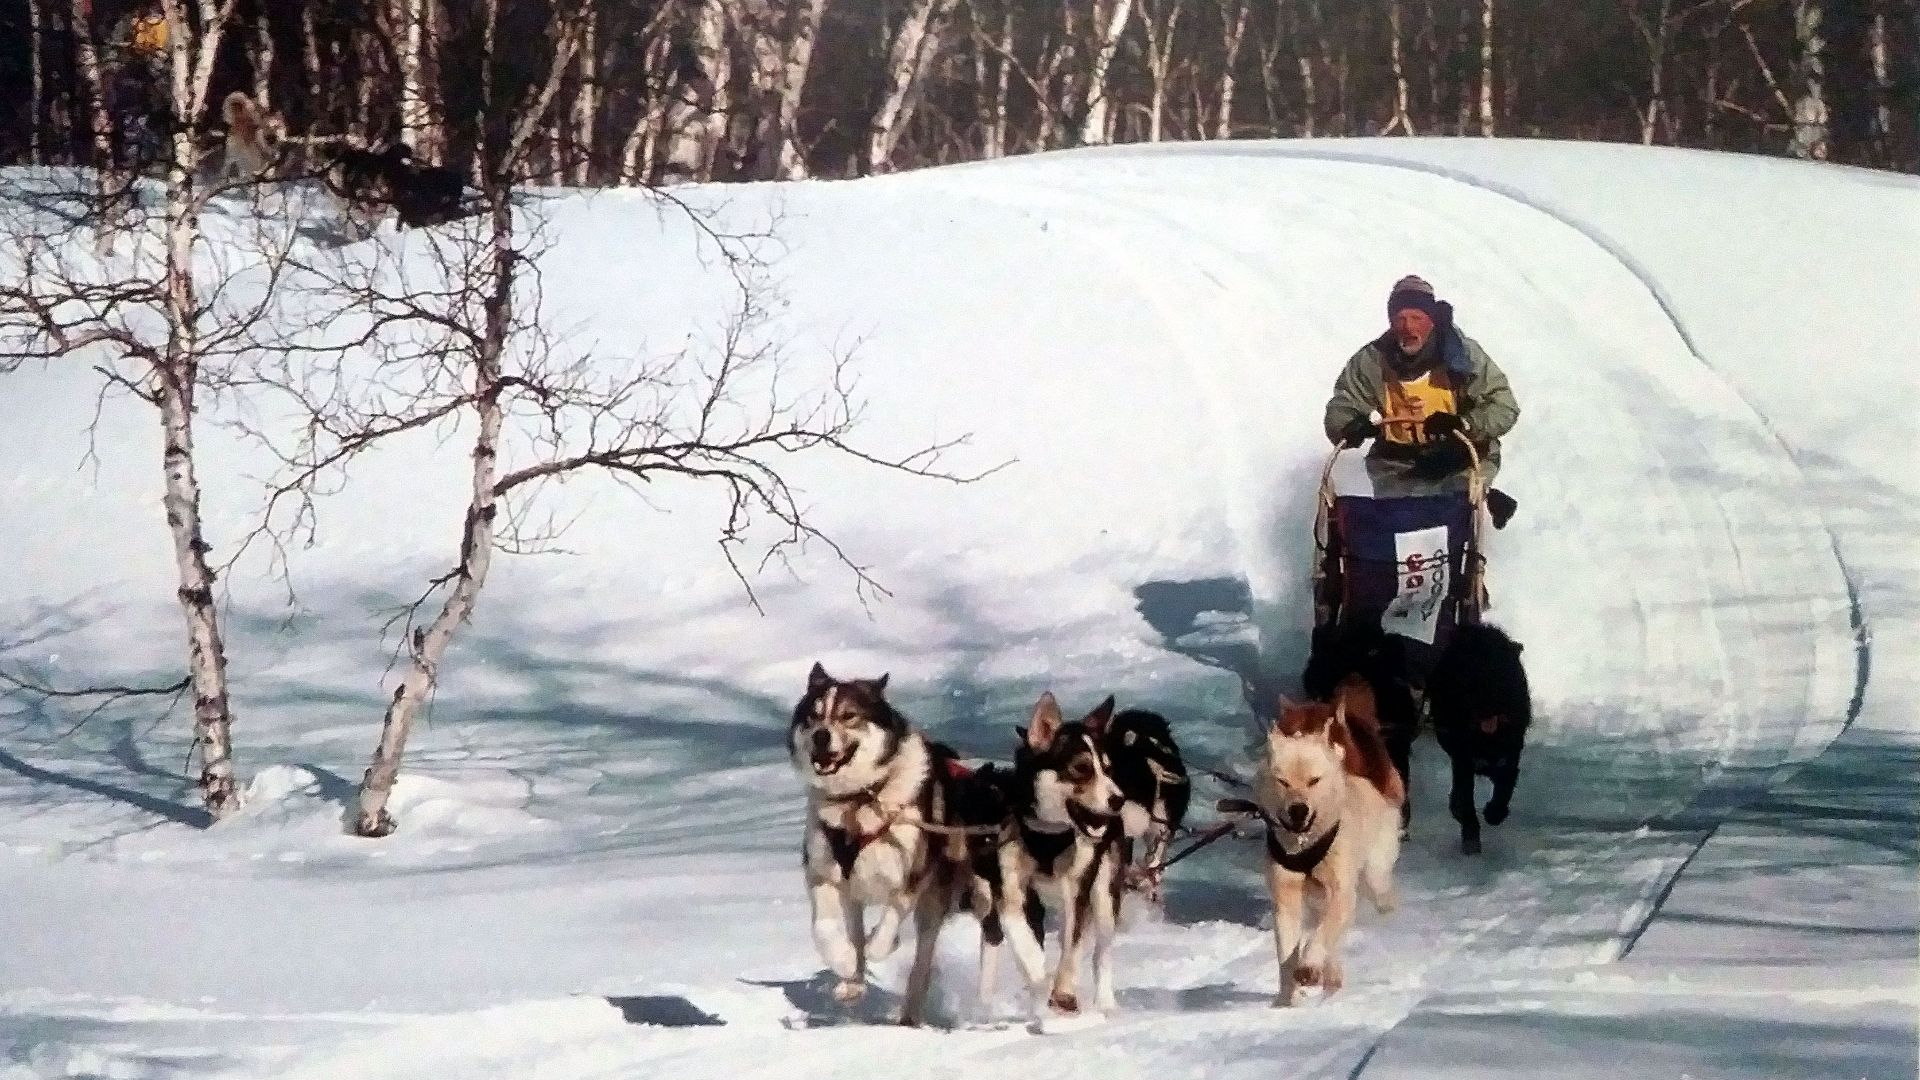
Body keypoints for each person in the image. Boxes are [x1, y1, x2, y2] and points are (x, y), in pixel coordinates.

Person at [1323, 275, 1520, 528]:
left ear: (1432, 320)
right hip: (1397, 467)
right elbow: (1343, 404)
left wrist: (1464, 423)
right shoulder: (1371, 361)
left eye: (1416, 318)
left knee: (1454, 519)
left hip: (1458, 459)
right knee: (1400, 528)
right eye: (1400, 319)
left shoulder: (1463, 355)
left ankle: (1476, 517)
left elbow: (1503, 404)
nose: (1408, 328)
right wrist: (1350, 425)